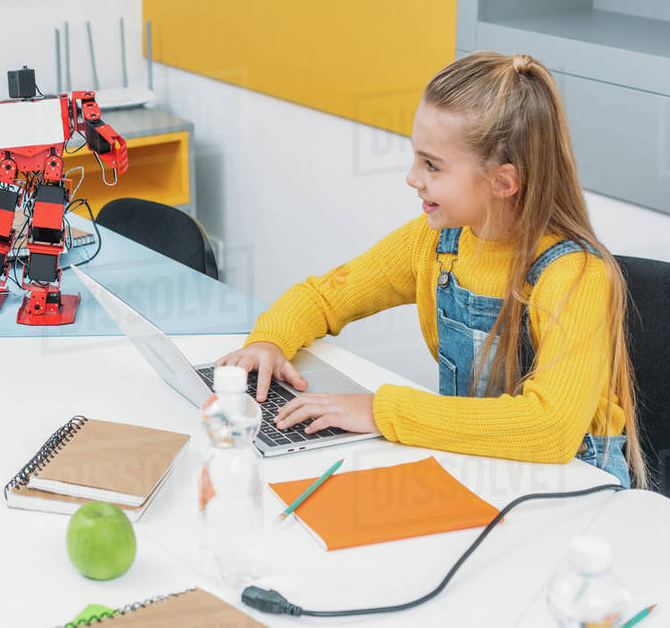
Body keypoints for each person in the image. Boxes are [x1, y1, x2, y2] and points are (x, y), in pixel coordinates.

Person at [216, 51, 644, 488]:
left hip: (577, 487)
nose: (412, 177)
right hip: (482, 467)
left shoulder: (575, 277)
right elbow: (325, 296)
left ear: (502, 182)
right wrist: (269, 341)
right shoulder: (436, 242)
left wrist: (378, 411)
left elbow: (549, 430)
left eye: (432, 165)